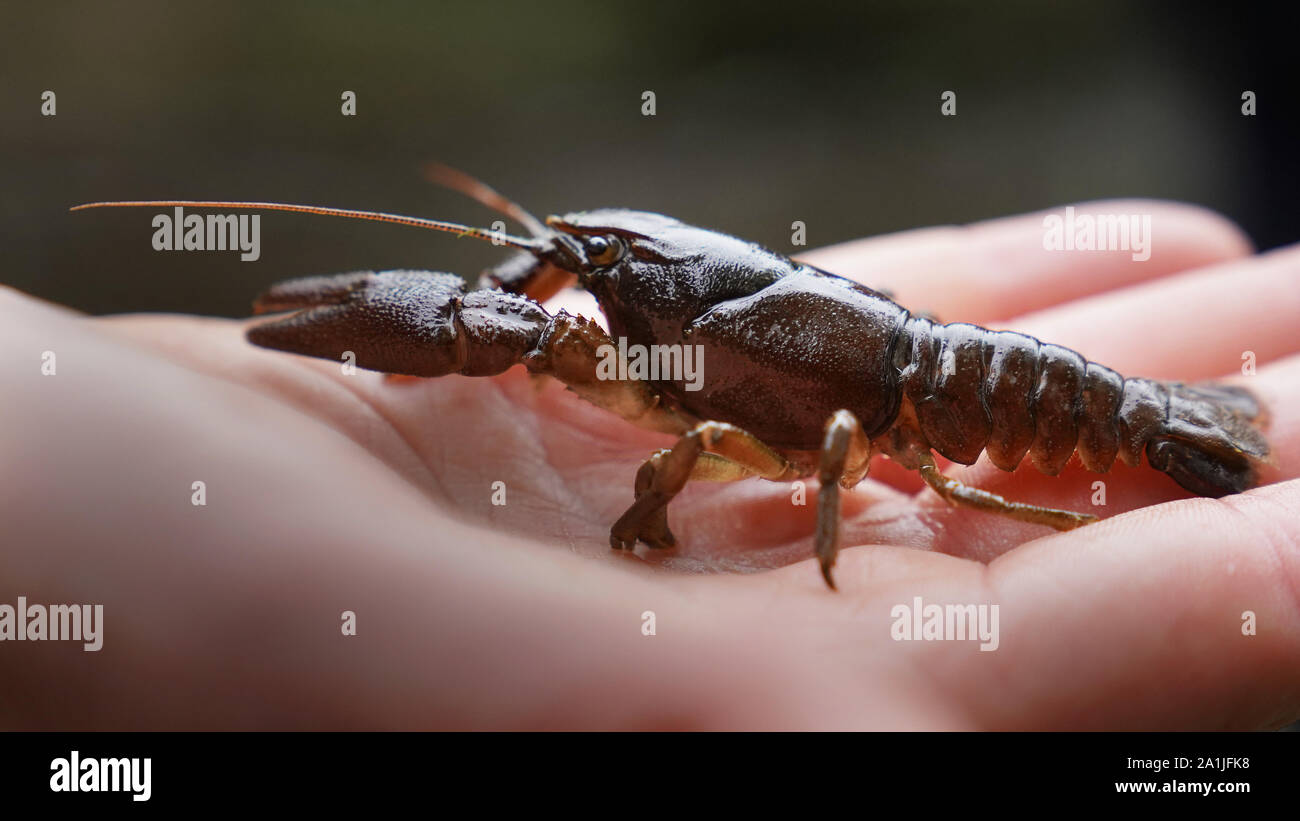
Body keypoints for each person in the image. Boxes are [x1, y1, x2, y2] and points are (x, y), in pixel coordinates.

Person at [2, 200, 1296, 729]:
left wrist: (667, 507)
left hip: (1005, 401)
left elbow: (748, 433)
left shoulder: (719, 366)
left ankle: (1179, 433)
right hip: (926, 375)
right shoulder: (675, 311)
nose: (558, 276)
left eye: (598, 265)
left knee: (696, 432)